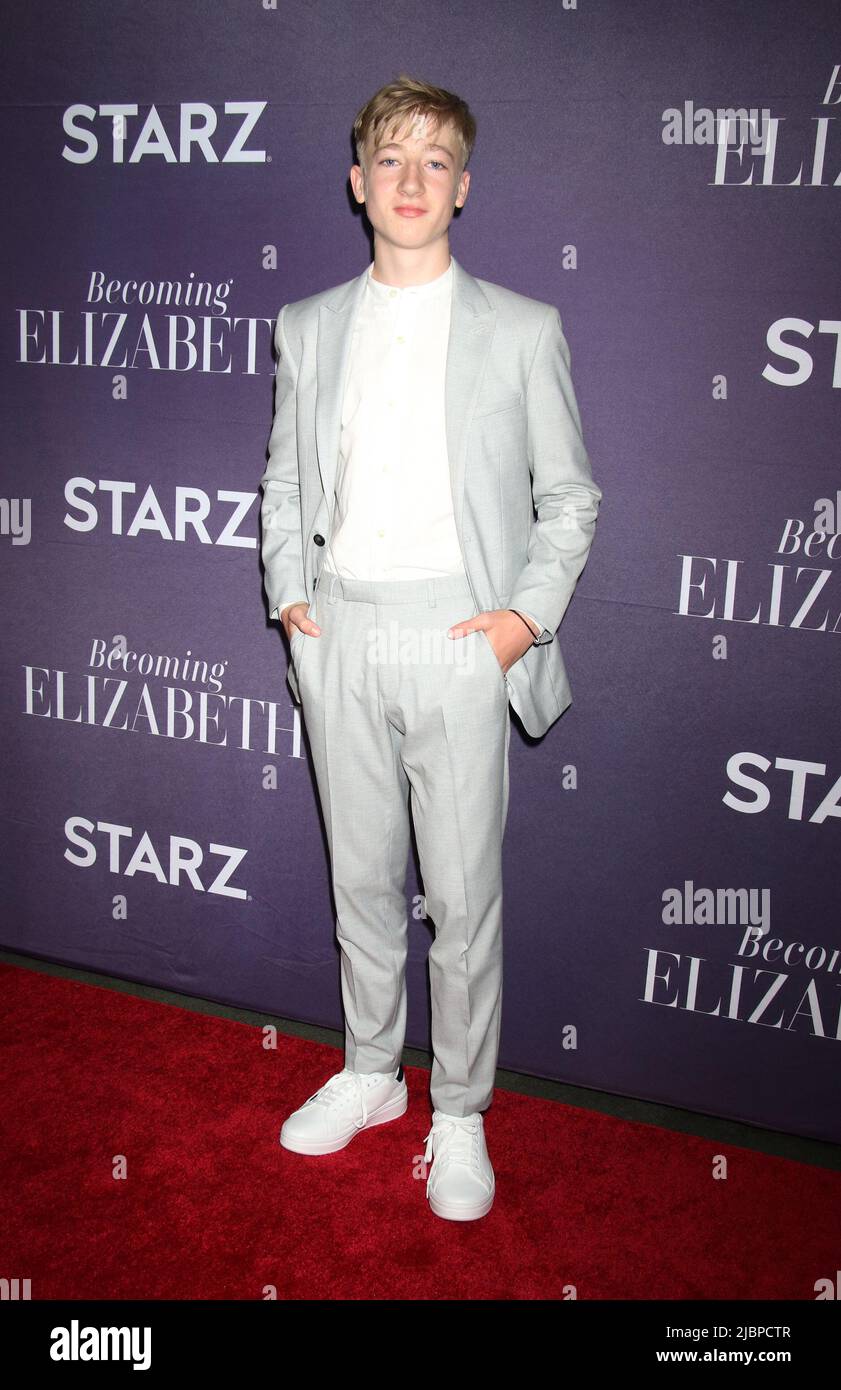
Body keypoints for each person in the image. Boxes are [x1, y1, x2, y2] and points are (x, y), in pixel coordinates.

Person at [258, 74, 602, 1221]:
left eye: (435, 161)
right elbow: (285, 480)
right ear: (358, 182)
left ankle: (458, 1110)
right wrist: (290, 594)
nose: (412, 179)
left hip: (462, 634)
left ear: (463, 188)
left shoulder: (523, 329)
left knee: (460, 898)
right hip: (339, 631)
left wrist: (519, 620)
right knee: (359, 880)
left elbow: (569, 497)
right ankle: (371, 1073)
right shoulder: (306, 325)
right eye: (391, 159)